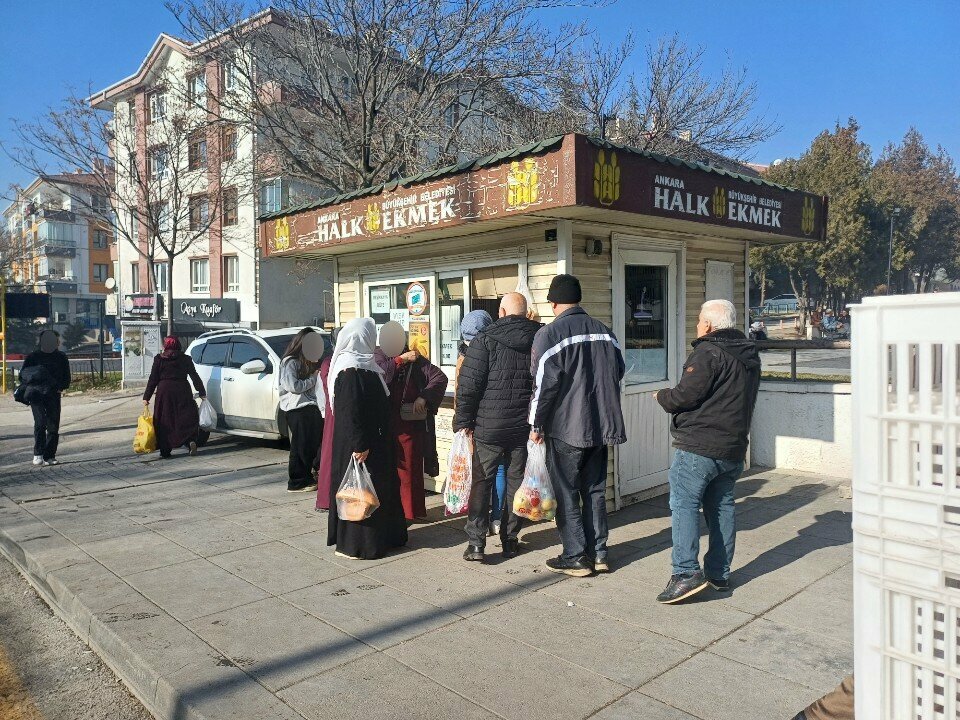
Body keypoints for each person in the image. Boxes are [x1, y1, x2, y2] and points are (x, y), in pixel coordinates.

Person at [653, 299, 761, 603]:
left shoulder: (708, 352)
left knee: (684, 505)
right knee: (722, 506)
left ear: (709, 324)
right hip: (733, 446)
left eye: (700, 320)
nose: (697, 325)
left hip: (700, 446)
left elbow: (686, 395)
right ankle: (718, 573)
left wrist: (662, 396)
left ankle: (686, 573)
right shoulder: (748, 355)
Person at [529, 274, 626, 577]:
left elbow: (543, 386)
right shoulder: (605, 333)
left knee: (568, 492)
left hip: (566, 429)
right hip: (600, 426)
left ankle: (575, 556)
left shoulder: (550, 334)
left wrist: (534, 424)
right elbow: (618, 371)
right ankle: (599, 554)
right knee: (595, 491)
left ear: (554, 302)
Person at [455, 293, 541, 561]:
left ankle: (477, 544)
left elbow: (469, 387)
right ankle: (511, 539)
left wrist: (463, 422)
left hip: (488, 427)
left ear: (501, 311)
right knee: (517, 483)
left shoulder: (485, 340)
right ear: (526, 313)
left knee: (482, 483)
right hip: (523, 426)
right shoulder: (540, 339)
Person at [326, 318, 408, 559]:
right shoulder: (349, 370)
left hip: (376, 442)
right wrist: (359, 445)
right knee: (358, 492)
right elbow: (350, 412)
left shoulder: (369, 366)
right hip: (359, 445)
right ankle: (357, 544)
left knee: (376, 491)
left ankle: (385, 538)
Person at [376, 337, 448, 521]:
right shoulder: (379, 355)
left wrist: (424, 397)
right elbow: (380, 374)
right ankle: (391, 511)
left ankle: (410, 511)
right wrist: (400, 360)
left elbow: (439, 377)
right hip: (384, 423)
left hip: (409, 424)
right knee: (388, 470)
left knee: (409, 471)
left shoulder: (416, 359)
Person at [454, 310, 507, 536]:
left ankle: (479, 520)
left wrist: (461, 422)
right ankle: (497, 517)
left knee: (480, 473)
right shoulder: (496, 350)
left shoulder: (462, 357)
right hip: (498, 419)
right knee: (500, 470)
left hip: (472, 422)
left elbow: (461, 394)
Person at [142, 336, 206, 459]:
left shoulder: (159, 359)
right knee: (186, 416)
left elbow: (153, 379)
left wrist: (147, 397)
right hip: (182, 390)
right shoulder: (186, 359)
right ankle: (189, 441)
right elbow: (194, 376)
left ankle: (165, 449)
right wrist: (201, 391)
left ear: (166, 346)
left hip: (164, 392)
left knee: (165, 420)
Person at [279, 328, 324, 493]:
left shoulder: (309, 361)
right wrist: (313, 378)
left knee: (310, 445)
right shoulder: (290, 362)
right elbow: (293, 386)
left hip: (312, 408)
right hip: (297, 409)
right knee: (300, 446)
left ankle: (307, 476)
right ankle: (296, 481)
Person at [21, 330, 71, 466]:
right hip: (36, 394)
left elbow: (67, 376)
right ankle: (38, 454)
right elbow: (23, 375)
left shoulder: (61, 357)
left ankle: (50, 455)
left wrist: (61, 386)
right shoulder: (33, 357)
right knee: (40, 423)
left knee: (53, 426)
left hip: (53, 394)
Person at [314, 328, 339, 512]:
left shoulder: (330, 361)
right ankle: (326, 499)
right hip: (335, 411)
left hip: (333, 410)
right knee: (330, 454)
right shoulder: (331, 362)